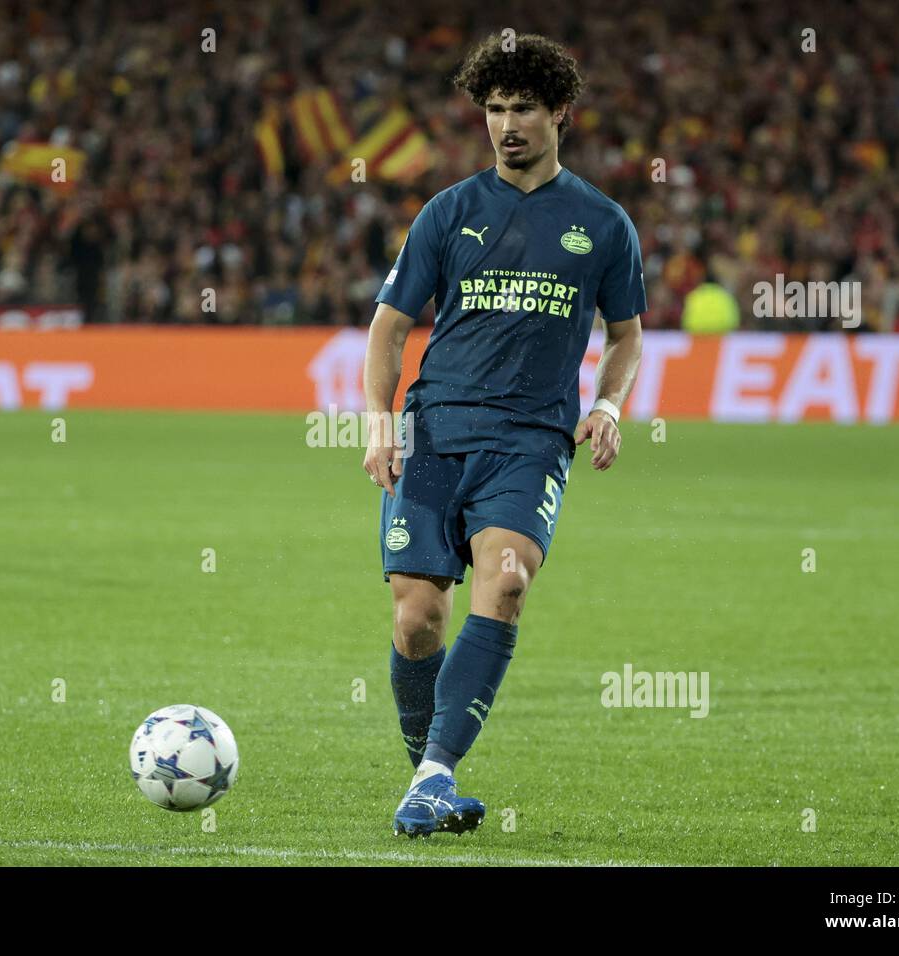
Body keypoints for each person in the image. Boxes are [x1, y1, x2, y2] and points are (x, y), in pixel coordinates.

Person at [362, 34, 645, 837]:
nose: (507, 124)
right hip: (434, 432)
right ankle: (430, 770)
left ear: (560, 112)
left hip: (529, 438)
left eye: (523, 108)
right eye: (494, 109)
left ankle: (435, 772)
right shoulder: (448, 212)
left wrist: (610, 405)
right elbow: (387, 330)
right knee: (417, 620)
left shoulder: (603, 224)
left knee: (508, 583)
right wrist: (380, 422)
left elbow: (626, 336)